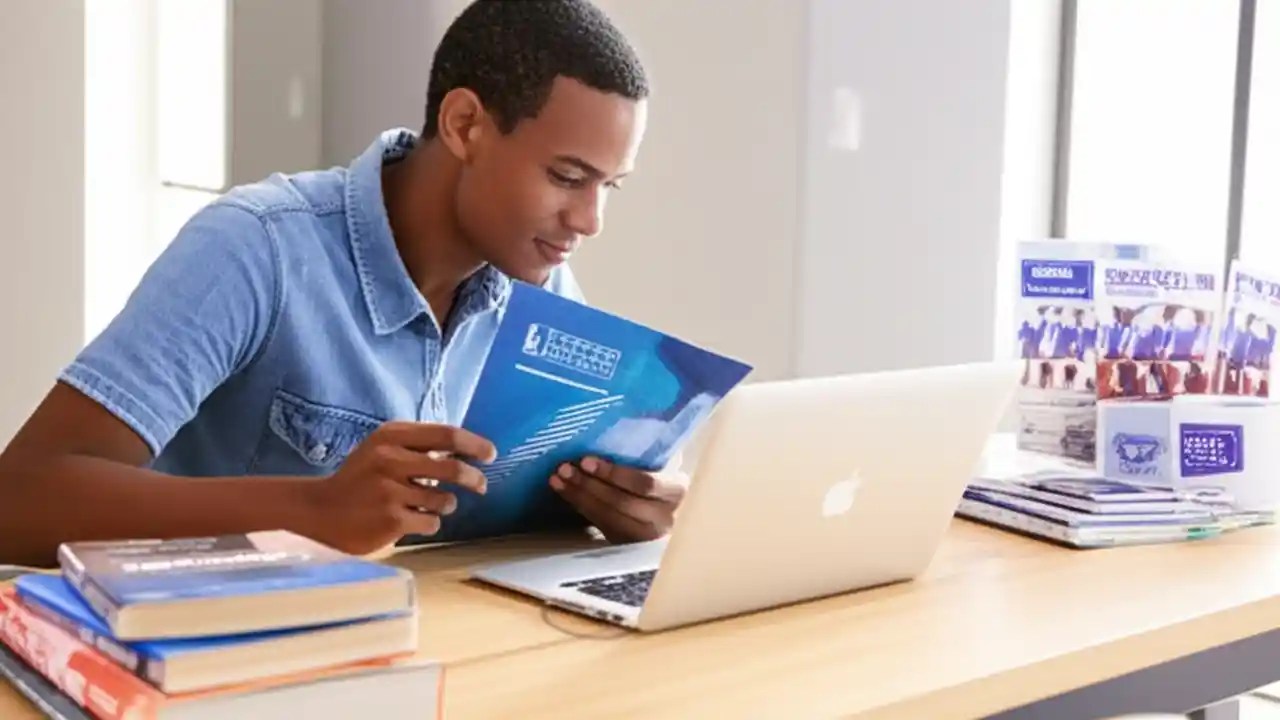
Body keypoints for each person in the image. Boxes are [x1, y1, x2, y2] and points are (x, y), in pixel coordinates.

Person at [0, 0, 687, 567]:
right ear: (465, 125)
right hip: (207, 653)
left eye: (609, 186)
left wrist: (628, 503)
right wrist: (314, 508)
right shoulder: (256, 247)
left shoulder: (538, 284)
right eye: (567, 177)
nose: (590, 220)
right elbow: (19, 499)